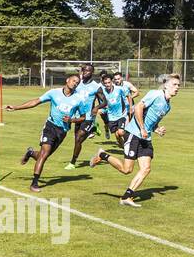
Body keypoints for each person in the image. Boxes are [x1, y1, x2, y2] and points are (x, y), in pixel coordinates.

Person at [90, 73, 180, 208]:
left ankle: (127, 196)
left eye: (178, 85)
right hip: (133, 134)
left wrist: (156, 129)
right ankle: (102, 155)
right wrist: (142, 128)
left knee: (146, 168)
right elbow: (138, 107)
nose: (177, 87)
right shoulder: (155, 94)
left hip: (145, 137)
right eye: (174, 84)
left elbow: (150, 120)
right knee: (127, 170)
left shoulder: (168, 106)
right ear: (166, 85)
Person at [4, 72, 83, 193]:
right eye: (74, 81)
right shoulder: (53, 93)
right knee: (44, 154)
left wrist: (72, 120)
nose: (75, 83)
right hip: (50, 127)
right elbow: (36, 101)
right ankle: (34, 184)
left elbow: (83, 117)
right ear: (67, 80)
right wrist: (16, 107)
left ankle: (30, 153)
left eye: (77, 83)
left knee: (43, 155)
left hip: (62, 131)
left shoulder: (78, 99)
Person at [66, 65, 106, 168]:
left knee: (79, 138)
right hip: (77, 117)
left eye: (88, 71)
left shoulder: (96, 86)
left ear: (92, 72)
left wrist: (96, 107)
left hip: (88, 117)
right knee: (77, 140)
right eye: (84, 70)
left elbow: (105, 102)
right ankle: (93, 128)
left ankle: (72, 162)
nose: (85, 72)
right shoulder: (77, 83)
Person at [101, 72, 132, 144]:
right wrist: (102, 109)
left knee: (120, 132)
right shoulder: (102, 92)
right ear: (103, 83)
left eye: (109, 82)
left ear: (112, 82)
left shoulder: (119, 89)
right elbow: (104, 103)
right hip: (111, 116)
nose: (108, 84)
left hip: (122, 115)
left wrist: (130, 107)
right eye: (105, 83)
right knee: (117, 135)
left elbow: (129, 96)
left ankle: (131, 140)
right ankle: (124, 148)